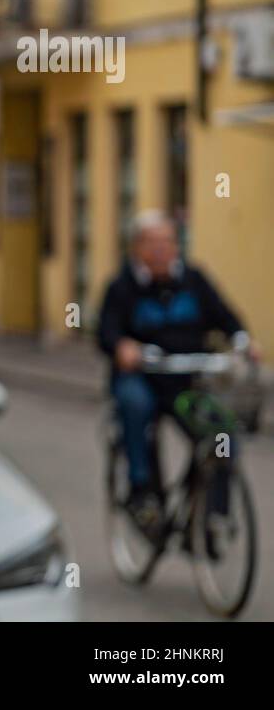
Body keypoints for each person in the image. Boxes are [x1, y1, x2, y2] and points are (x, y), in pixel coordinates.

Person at [97, 209, 258, 535]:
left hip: (185, 381)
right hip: (142, 377)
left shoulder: (193, 280)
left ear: (177, 246)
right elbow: (106, 331)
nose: (160, 250)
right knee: (136, 407)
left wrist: (244, 341)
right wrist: (122, 348)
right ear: (136, 247)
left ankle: (214, 516)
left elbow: (226, 317)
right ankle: (141, 491)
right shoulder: (122, 287)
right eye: (151, 242)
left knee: (220, 433)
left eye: (167, 242)